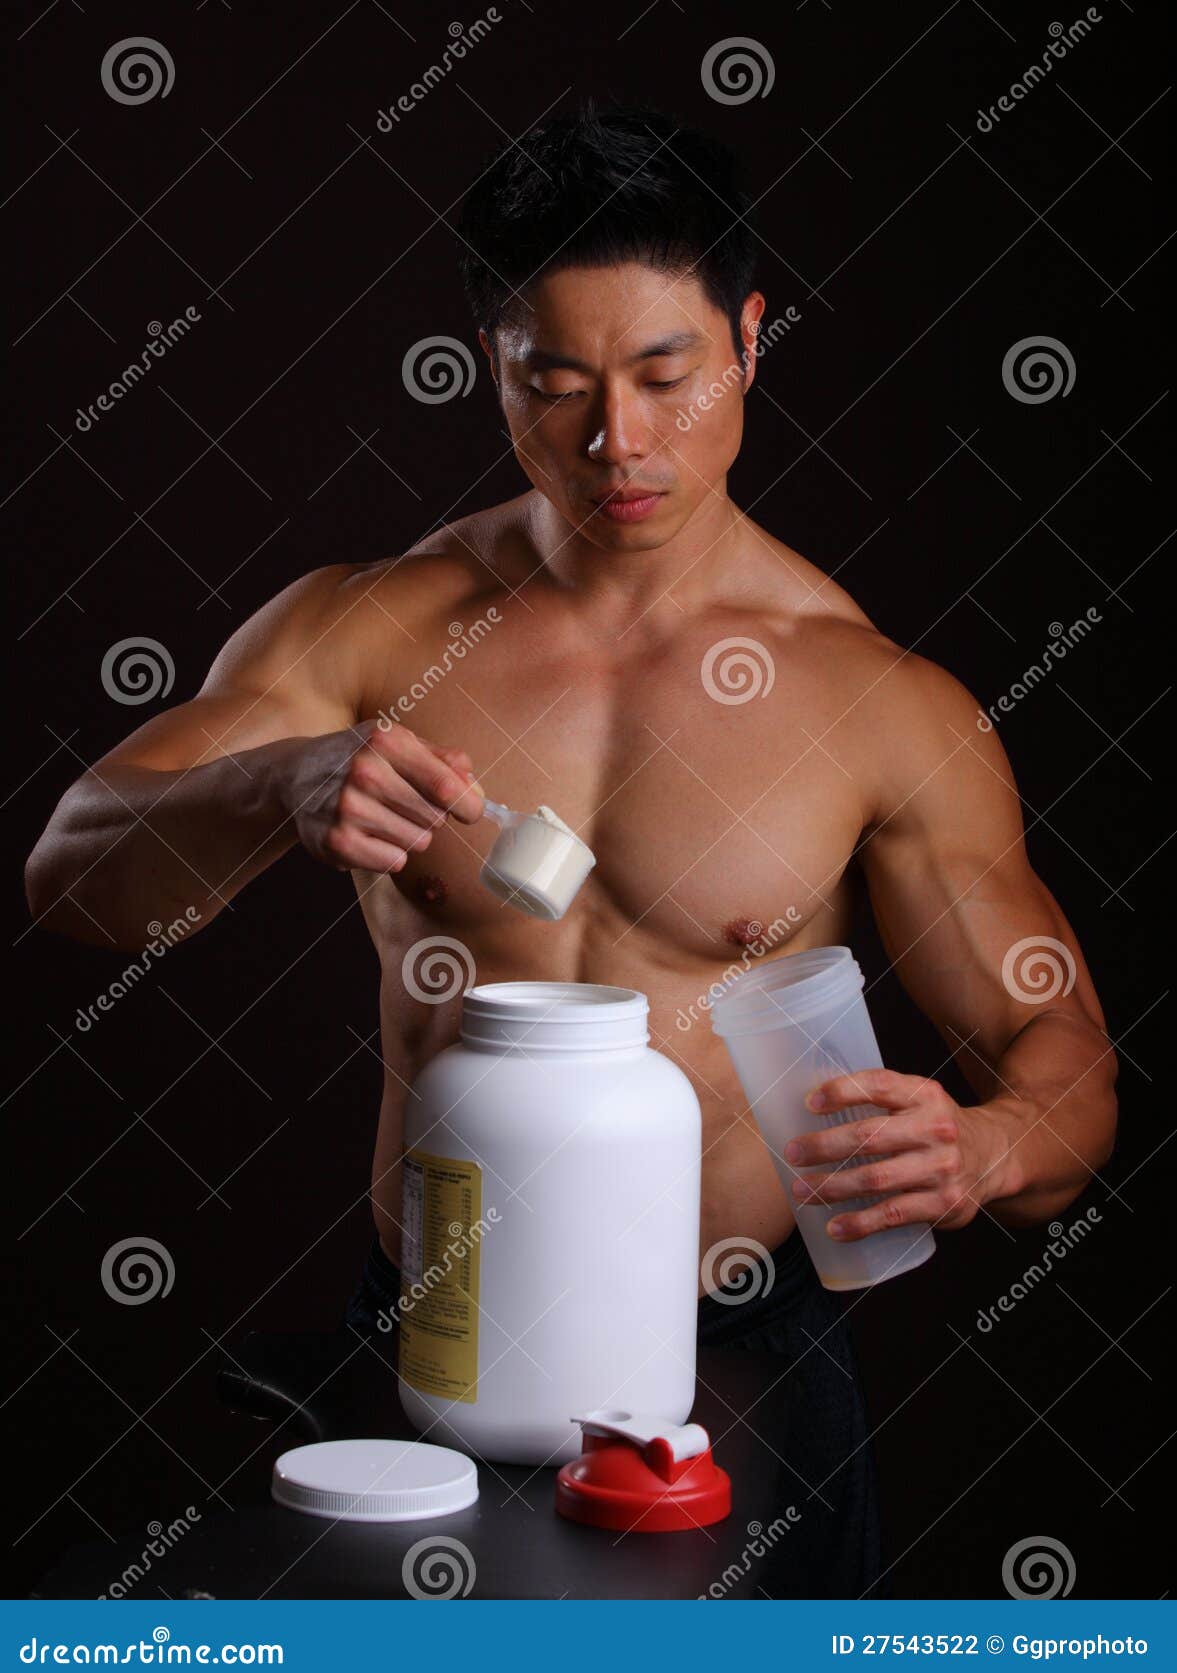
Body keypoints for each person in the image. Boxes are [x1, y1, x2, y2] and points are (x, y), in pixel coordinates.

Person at [26, 107, 1116, 1595]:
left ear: (745, 338)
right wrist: (276, 782)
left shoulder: (874, 703)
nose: (617, 440)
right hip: (430, 1326)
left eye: (666, 375)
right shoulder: (368, 628)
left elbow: (1061, 1059)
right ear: (491, 368)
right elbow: (71, 877)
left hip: (725, 1365)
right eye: (554, 382)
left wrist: (985, 1145)